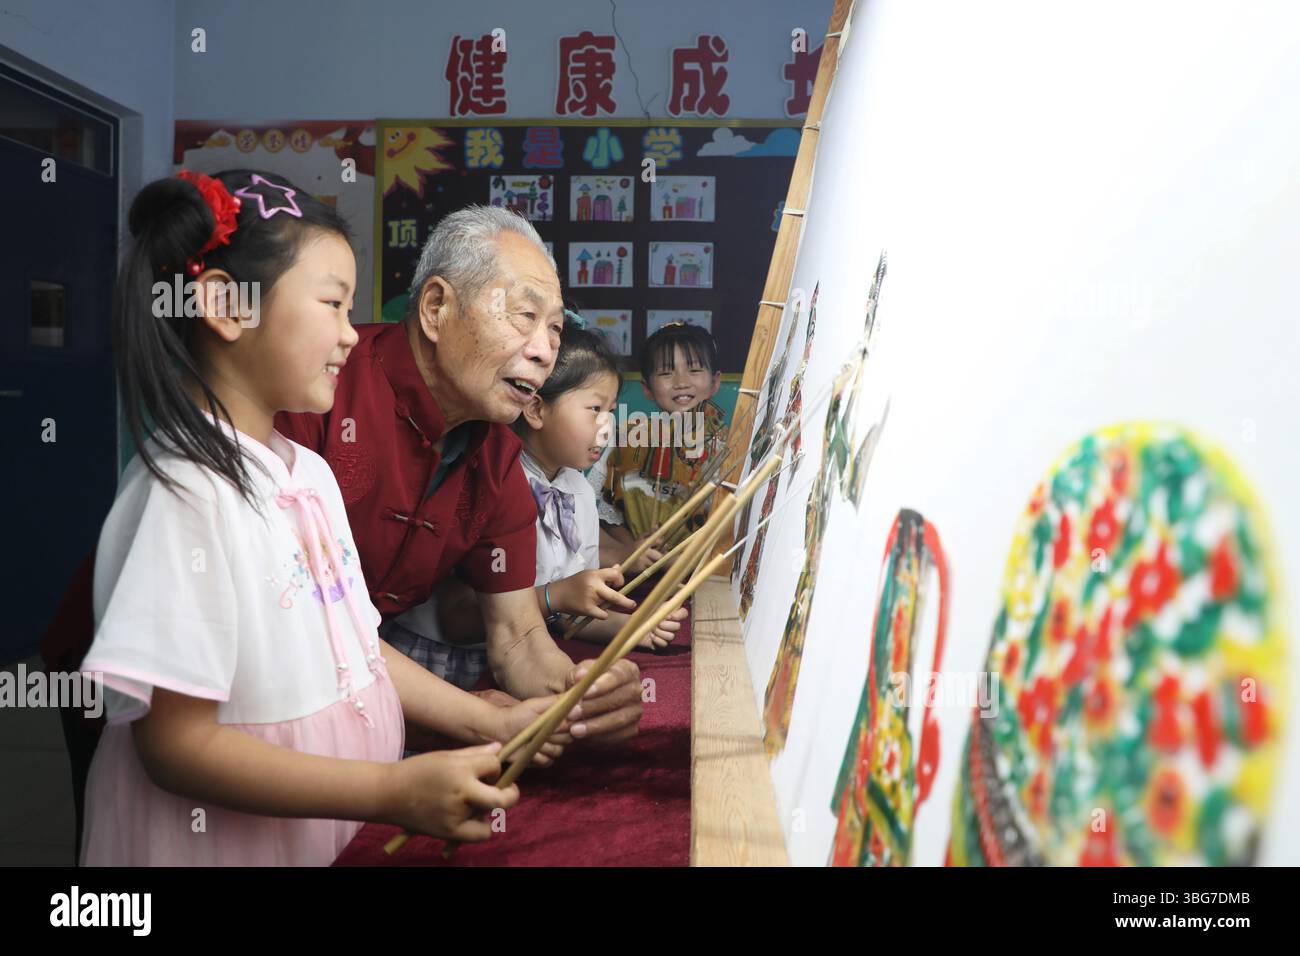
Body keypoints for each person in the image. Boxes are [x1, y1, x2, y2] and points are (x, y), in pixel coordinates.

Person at [79, 171, 567, 866]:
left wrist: (489, 718)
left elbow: (356, 649)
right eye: (333, 305)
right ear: (227, 305)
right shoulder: (188, 493)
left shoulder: (305, 474)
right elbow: (177, 748)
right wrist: (387, 791)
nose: (351, 335)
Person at [274, 205, 643, 741]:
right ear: (436, 307)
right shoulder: (318, 394)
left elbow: (517, 636)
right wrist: (477, 716)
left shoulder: (496, 456)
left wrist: (579, 692)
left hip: (353, 705)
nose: (543, 352)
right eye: (524, 316)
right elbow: (302, 620)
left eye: (556, 329)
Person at [599, 321, 728, 554]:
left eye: (695, 369)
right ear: (647, 388)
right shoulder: (624, 440)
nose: (681, 382)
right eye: (666, 372)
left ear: (714, 382)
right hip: (632, 578)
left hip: (699, 576)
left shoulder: (729, 450)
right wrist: (633, 547)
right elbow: (601, 515)